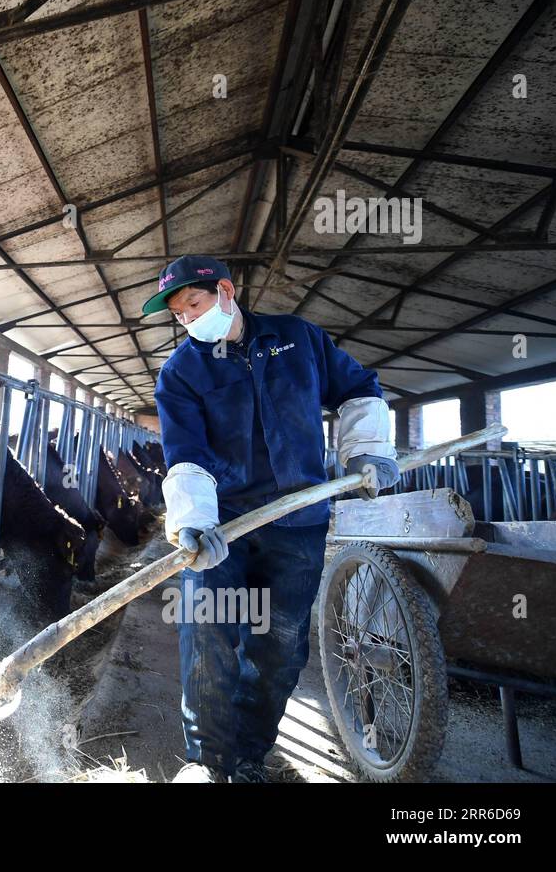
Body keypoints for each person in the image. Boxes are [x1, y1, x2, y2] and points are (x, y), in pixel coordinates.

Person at [144, 255, 398, 783]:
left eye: (193, 303)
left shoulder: (298, 338)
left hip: (299, 522)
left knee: (279, 648)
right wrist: (191, 522)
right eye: (178, 314)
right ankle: (208, 763)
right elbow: (186, 454)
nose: (188, 319)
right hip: (224, 527)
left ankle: (248, 758)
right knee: (208, 634)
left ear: (225, 292)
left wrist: (367, 451)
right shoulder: (181, 373)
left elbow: (358, 386)